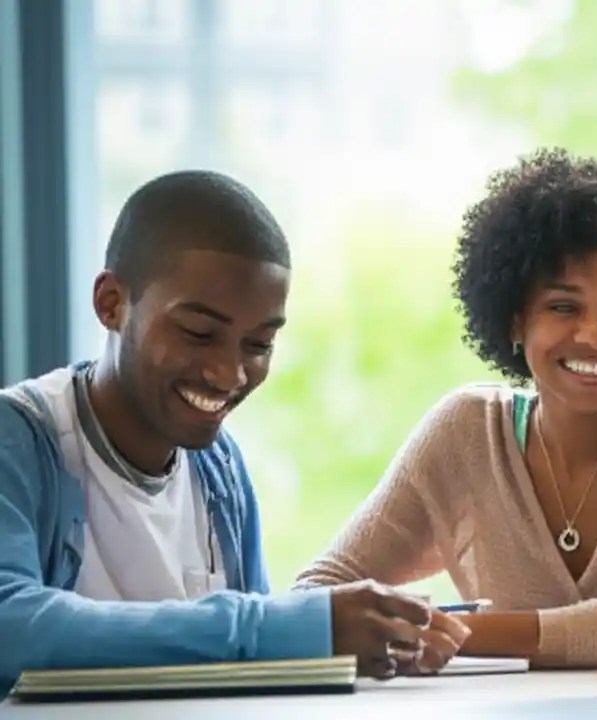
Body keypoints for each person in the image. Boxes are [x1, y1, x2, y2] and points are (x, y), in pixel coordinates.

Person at [0, 170, 468, 690]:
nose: (230, 374)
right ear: (111, 303)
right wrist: (295, 627)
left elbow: (252, 663)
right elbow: (11, 626)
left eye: (259, 345)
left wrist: (375, 640)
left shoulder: (218, 469)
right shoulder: (22, 439)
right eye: (199, 333)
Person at [295, 148, 597, 669]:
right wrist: (385, 629)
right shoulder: (467, 431)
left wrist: (443, 632)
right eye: (563, 307)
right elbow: (315, 597)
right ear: (514, 321)